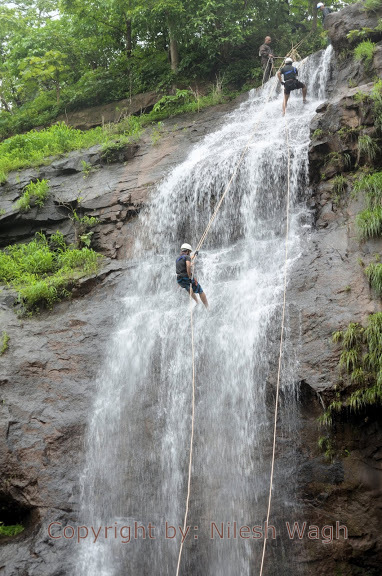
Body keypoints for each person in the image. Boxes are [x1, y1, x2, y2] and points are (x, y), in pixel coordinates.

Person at [176, 243, 208, 309]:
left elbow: (187, 261)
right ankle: (207, 307)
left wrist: (195, 254)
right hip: (186, 277)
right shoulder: (187, 257)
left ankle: (197, 301)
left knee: (188, 288)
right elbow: (188, 265)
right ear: (187, 251)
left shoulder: (178, 258)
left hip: (179, 279)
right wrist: (190, 277)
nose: (189, 253)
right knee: (200, 290)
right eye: (189, 252)